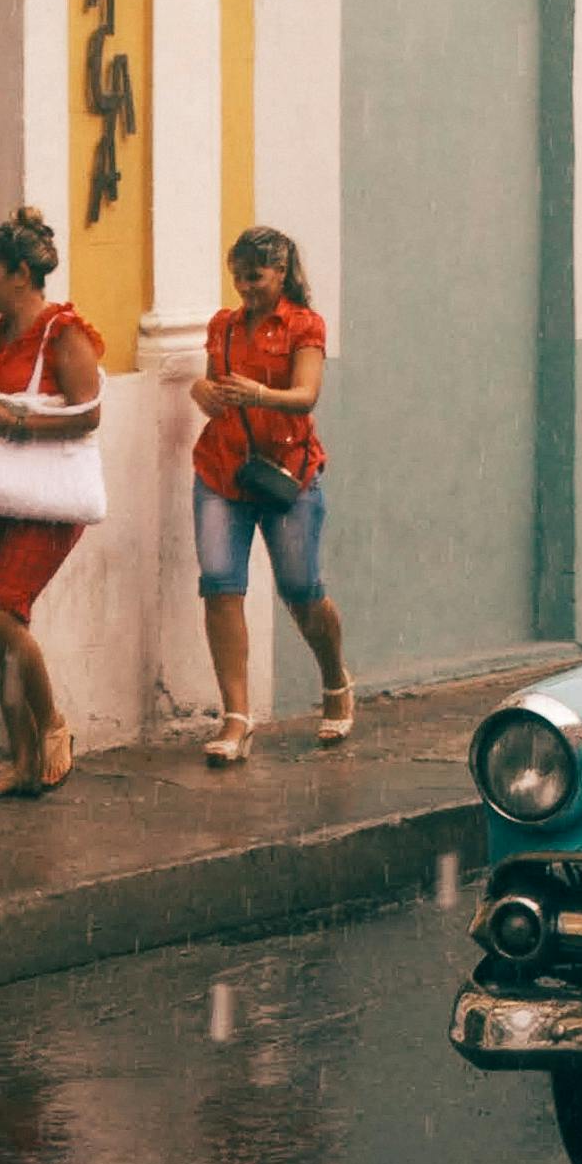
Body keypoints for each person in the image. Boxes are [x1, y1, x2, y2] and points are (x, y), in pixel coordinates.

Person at [0, 203, 105, 799]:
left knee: (1, 612)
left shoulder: (65, 334)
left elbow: (89, 415)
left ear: (20, 274)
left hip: (47, 501)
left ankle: (54, 725)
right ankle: (22, 760)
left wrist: (18, 423)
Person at [186, 224, 359, 767]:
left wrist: (259, 393)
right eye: (238, 277)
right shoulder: (224, 325)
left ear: (280, 273)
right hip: (223, 471)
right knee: (219, 585)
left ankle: (335, 678)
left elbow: (306, 396)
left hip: (288, 474)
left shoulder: (304, 326)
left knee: (301, 589)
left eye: (256, 277)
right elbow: (209, 383)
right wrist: (205, 392)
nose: (246, 288)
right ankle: (236, 716)